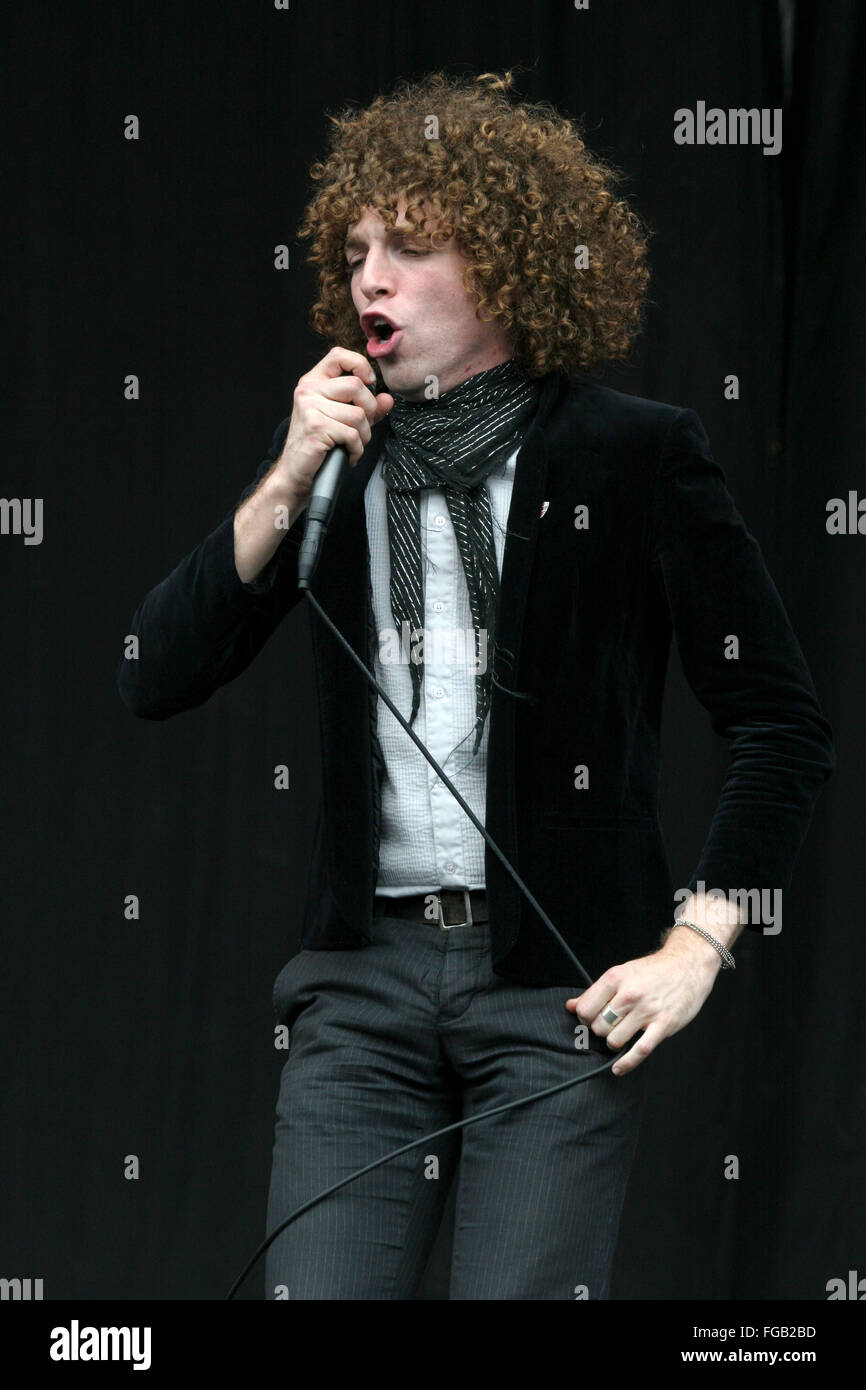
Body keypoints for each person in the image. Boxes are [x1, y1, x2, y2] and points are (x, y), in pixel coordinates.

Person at [117, 71, 836, 1300]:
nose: (367, 280)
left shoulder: (632, 453)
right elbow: (156, 671)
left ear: (503, 266)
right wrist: (287, 471)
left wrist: (699, 941)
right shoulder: (338, 462)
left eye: (408, 246)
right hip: (360, 990)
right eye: (354, 251)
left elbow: (778, 724)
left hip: (555, 993)